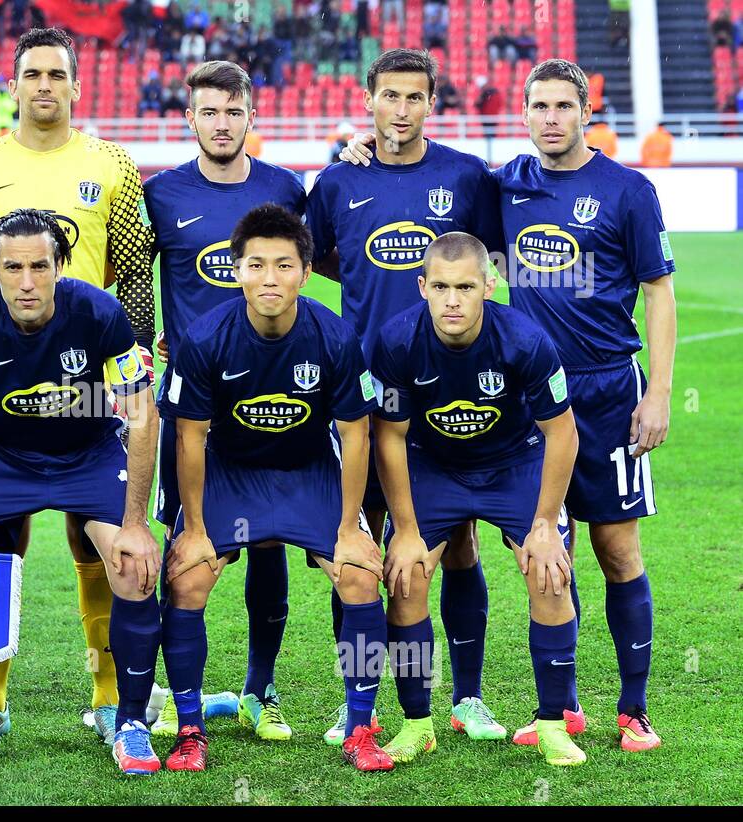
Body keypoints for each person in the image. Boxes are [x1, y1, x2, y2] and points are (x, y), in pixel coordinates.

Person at [0, 28, 156, 741]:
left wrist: (140, 352)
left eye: (56, 74)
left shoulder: (111, 162)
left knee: (98, 544)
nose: (43, 86)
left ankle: (107, 699)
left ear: (74, 84)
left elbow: (133, 267)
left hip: (92, 373)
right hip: (4, 374)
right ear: (14, 82)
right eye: (31, 73)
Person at [306, 49, 506, 746]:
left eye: (413, 97)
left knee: (455, 547)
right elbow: (320, 254)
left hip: (446, 389)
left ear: (431, 103)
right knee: (357, 545)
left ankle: (469, 696)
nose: (400, 109)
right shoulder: (337, 181)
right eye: (388, 96)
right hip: (361, 388)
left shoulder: (465, 177)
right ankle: (355, 701)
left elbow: (493, 254)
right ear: (368, 99)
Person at [0, 209, 161, 774]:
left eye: (39, 266)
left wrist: (134, 522)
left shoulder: (101, 311)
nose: (27, 282)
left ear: (60, 266)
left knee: (130, 563)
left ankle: (129, 722)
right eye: (12, 268)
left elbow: (141, 414)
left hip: (88, 451)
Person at [163, 204, 389, 772]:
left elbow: (355, 434)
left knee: (361, 577)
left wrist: (349, 529)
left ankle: (361, 727)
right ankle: (190, 730)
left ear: (306, 271)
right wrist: (192, 530)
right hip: (231, 470)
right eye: (256, 265)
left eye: (284, 265)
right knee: (188, 579)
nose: (270, 278)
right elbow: (189, 438)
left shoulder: (334, 335)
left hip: (307, 470)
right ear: (235, 270)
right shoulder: (205, 338)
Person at [496, 59, 675, 752]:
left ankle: (633, 709)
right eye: (538, 105)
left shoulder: (628, 191)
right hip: (532, 395)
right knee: (546, 549)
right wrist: (361, 147)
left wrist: (657, 391)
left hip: (607, 389)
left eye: (563, 106)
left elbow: (659, 292)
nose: (550, 117)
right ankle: (562, 707)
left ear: (585, 111)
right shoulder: (506, 184)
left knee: (616, 544)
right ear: (524, 113)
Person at [371, 232, 584, 766]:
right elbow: (390, 436)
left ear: (488, 286)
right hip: (434, 468)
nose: (452, 300)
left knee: (548, 571)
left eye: (465, 286)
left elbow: (562, 433)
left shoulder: (525, 341)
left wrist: (542, 524)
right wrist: (407, 529)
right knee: (406, 574)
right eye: (440, 286)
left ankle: (553, 723)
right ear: (421, 286)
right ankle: (418, 722)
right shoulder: (396, 342)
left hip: (512, 466)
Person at [143, 61, 307, 742]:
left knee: (268, 543)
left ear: (251, 117)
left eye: (232, 111)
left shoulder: (284, 189)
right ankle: (171, 696)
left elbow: (316, 262)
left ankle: (259, 689)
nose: (220, 123)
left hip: (272, 400)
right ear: (189, 118)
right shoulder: (161, 194)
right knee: (185, 548)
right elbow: (127, 274)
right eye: (208, 112)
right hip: (191, 405)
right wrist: (142, 340)